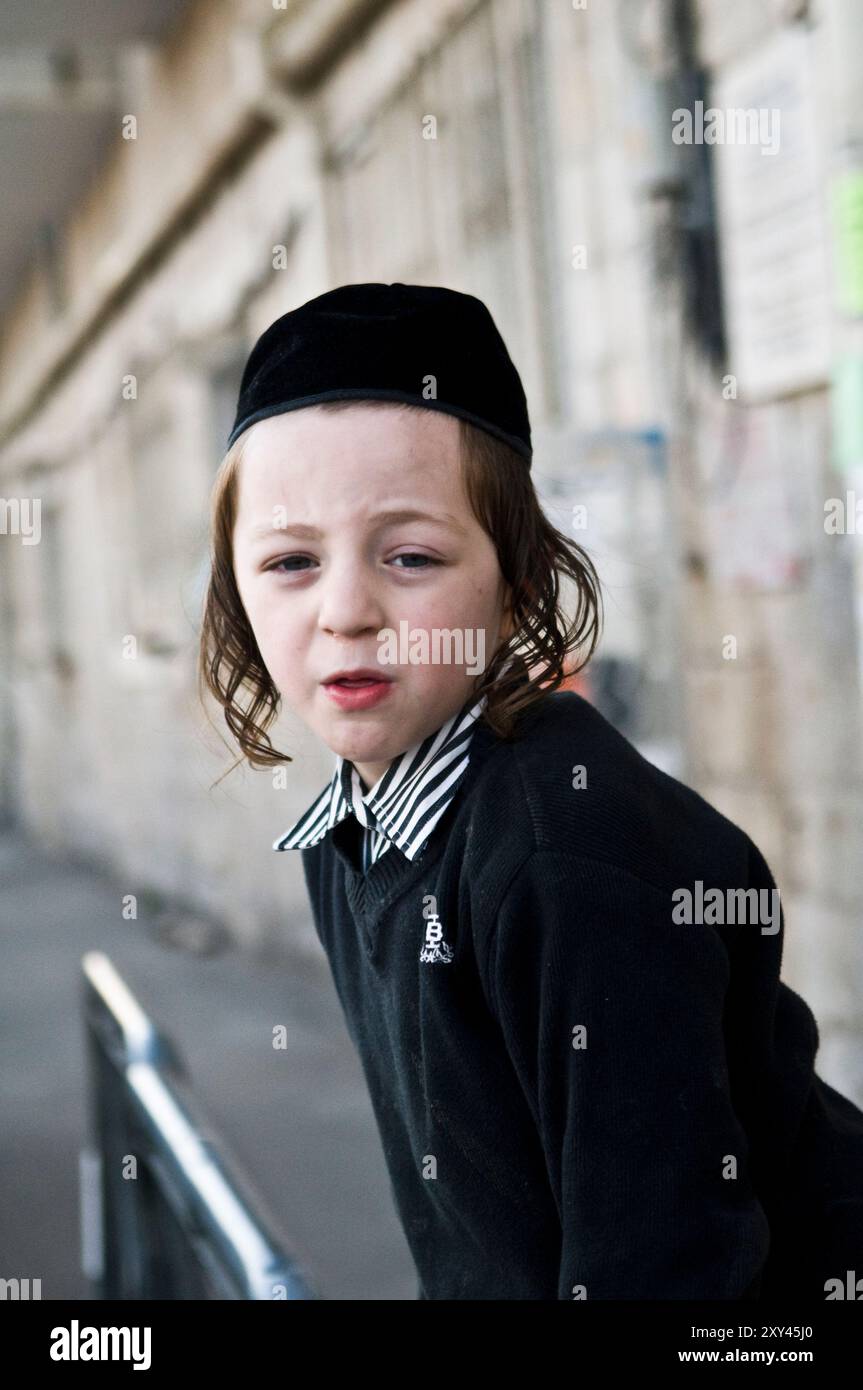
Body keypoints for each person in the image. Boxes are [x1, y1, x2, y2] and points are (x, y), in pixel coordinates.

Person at [198, 282, 863, 1300]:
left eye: (410, 556)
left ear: (512, 581)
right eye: (288, 561)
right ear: (235, 590)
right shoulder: (351, 836)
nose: (344, 611)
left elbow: (666, 1273)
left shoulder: (568, 856)